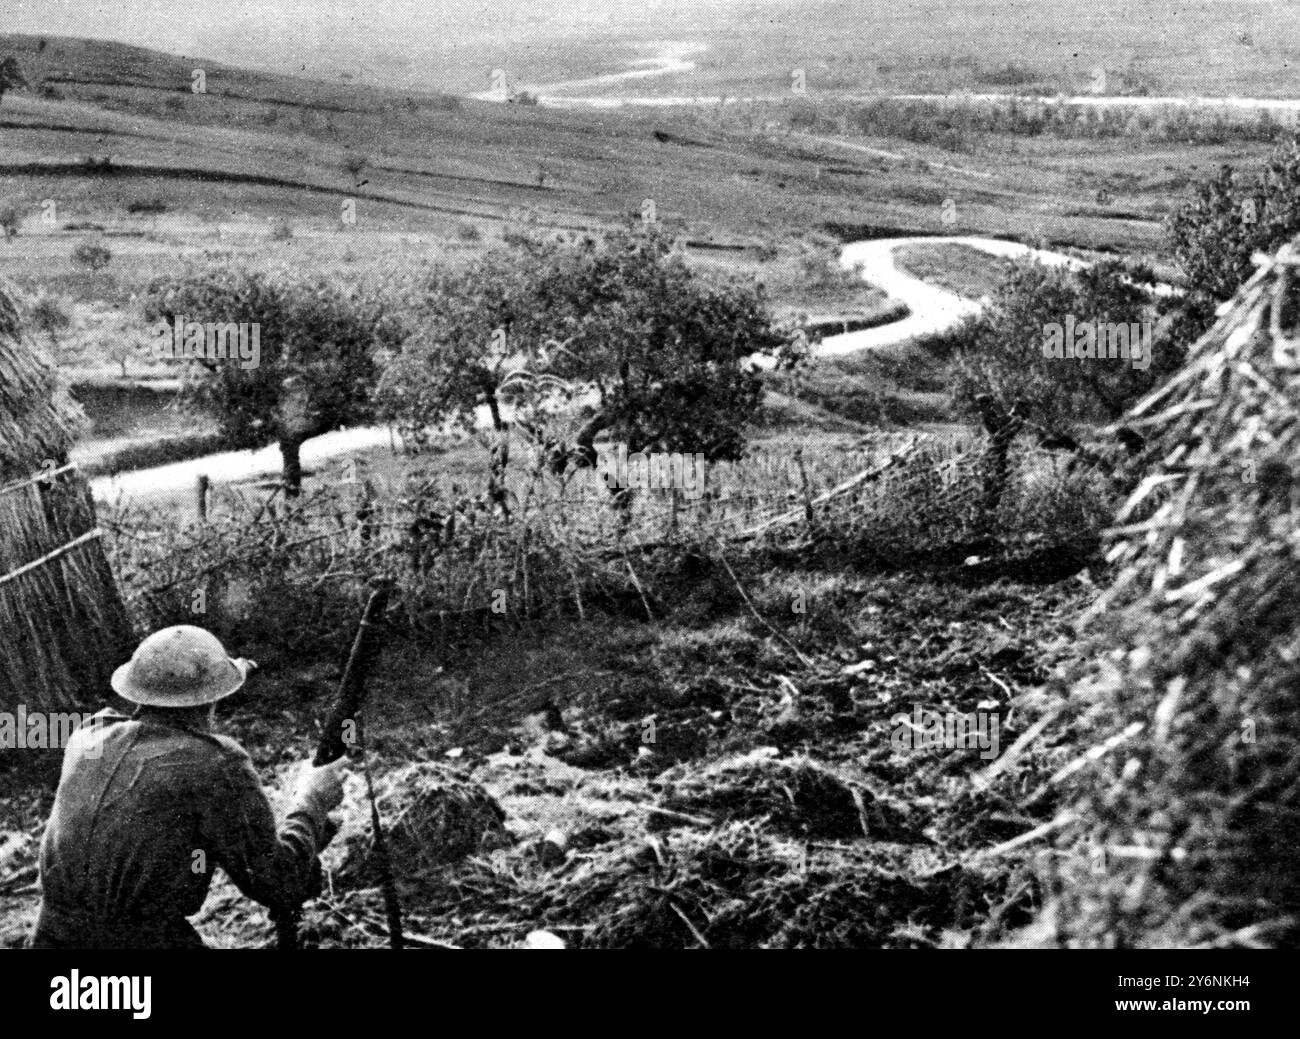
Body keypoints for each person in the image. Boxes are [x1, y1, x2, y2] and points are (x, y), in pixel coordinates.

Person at [29, 625, 346, 949]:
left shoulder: (88, 735)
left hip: (50, 939)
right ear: (212, 700)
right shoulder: (215, 763)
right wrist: (311, 801)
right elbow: (278, 882)